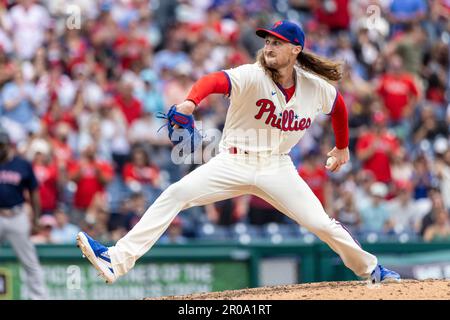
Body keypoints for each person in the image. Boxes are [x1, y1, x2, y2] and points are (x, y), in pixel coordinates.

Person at [77, 20, 400, 284]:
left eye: (276, 42)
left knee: (321, 224)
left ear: (295, 50)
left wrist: (342, 147)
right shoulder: (252, 75)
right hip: (233, 160)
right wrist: (190, 102)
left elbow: (339, 107)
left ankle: (372, 271)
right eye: (267, 42)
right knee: (175, 194)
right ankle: (116, 260)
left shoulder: (315, 87)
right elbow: (214, 80)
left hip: (277, 168)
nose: (269, 47)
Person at [0, 130, 47, 299]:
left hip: (16, 215)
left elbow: (34, 192)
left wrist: (35, 218)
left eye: (2, 145)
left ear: (8, 146)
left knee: (30, 262)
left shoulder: (21, 164)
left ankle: (39, 297)